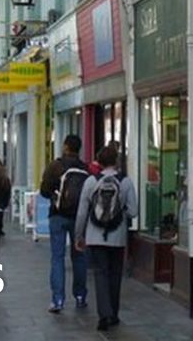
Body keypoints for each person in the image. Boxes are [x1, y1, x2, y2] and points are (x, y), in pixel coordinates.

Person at [75, 144, 138, 332]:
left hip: (95, 236)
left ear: (99, 162)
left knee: (100, 274)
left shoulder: (91, 182)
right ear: (117, 161)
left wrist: (79, 235)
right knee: (115, 274)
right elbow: (133, 211)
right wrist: (119, 212)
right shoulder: (125, 182)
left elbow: (81, 213)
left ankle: (104, 314)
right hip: (117, 237)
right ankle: (114, 314)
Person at [40, 134, 90, 313]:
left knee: (57, 257)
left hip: (58, 216)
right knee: (79, 256)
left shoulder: (55, 166)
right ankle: (80, 296)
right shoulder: (85, 168)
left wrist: (55, 196)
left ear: (65, 147)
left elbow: (44, 190)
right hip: (79, 218)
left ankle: (58, 299)